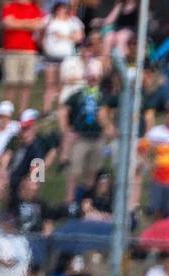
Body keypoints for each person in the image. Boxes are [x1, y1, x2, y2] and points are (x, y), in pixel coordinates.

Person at [60, 61, 113, 204]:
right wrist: (66, 129)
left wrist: (108, 127)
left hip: (97, 137)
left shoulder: (103, 96)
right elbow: (64, 110)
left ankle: (87, 199)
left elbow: (106, 114)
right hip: (81, 136)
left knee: (93, 171)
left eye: (95, 76)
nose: (92, 79)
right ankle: (69, 200)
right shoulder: (77, 94)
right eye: (90, 76)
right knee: (74, 170)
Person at [0, 0, 46, 113]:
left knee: (27, 84)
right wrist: (28, 24)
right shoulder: (10, 7)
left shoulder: (35, 8)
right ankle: (6, 114)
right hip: (11, 51)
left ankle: (22, 113)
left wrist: (18, 23)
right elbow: (8, 23)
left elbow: (39, 25)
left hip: (30, 51)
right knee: (11, 83)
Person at [42, 3, 85, 113]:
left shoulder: (73, 21)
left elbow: (79, 37)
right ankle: (46, 109)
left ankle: (60, 108)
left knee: (62, 83)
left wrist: (63, 36)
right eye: (60, 8)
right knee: (49, 83)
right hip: (51, 55)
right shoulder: (49, 19)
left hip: (66, 57)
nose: (62, 11)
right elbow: (41, 32)